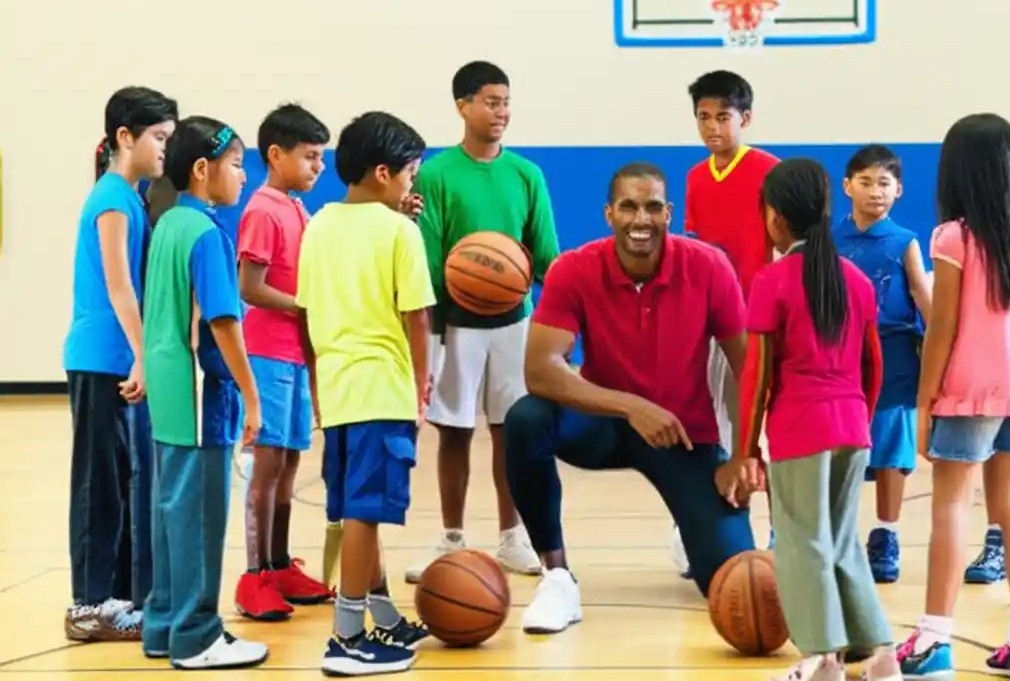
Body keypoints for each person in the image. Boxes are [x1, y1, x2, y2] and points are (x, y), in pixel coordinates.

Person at [502, 162, 756, 635]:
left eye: (653, 207)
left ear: (669, 213)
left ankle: (692, 521)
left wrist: (743, 454)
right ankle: (557, 575)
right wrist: (630, 405)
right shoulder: (574, 268)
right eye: (629, 207)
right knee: (526, 418)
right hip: (602, 427)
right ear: (608, 213)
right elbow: (539, 371)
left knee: (734, 581)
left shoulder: (707, 266)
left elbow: (747, 367)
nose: (641, 219)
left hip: (682, 435)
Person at [717, 158, 902, 681]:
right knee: (843, 541)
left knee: (802, 543)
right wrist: (859, 423)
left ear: (774, 218)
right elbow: (873, 366)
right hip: (852, 428)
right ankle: (882, 654)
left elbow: (756, 377)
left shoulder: (772, 281)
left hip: (801, 430)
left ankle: (822, 657)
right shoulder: (856, 280)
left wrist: (746, 449)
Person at [895, 113, 1010, 679]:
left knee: (951, 508)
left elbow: (942, 327)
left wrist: (924, 400)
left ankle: (933, 641)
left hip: (969, 391)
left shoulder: (953, 238)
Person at [407, 60, 558, 581]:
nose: (501, 112)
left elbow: (546, 257)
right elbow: (428, 256)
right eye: (491, 102)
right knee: (453, 431)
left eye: (506, 102)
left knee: (510, 431)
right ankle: (450, 536)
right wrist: (428, 319)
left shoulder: (526, 175)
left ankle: (512, 536)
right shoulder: (435, 174)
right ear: (462, 106)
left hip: (514, 322)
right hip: (457, 322)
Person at [297, 111, 433, 676]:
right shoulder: (402, 231)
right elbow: (417, 317)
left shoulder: (319, 225)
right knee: (365, 514)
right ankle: (347, 638)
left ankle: (382, 612)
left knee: (357, 513)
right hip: (382, 390)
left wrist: (318, 389)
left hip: (338, 390)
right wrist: (421, 389)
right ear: (383, 173)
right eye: (408, 176)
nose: (411, 187)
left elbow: (305, 319)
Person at [140, 116, 269, 669]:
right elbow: (223, 323)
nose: (244, 176)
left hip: (168, 396)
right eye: (238, 164)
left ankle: (164, 624)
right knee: (200, 517)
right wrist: (253, 395)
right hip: (200, 397)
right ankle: (196, 635)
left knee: (170, 512)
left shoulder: (167, 223)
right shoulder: (207, 234)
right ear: (202, 169)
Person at [64, 86, 177, 642]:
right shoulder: (111, 198)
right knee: (98, 484)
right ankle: (88, 604)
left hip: (118, 358)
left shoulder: (132, 195)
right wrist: (141, 354)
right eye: (158, 137)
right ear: (124, 138)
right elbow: (118, 285)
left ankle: (118, 599)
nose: (164, 149)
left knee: (122, 482)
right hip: (100, 357)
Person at [675, 69, 780, 576]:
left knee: (765, 426)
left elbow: (783, 248)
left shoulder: (768, 171)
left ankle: (782, 532)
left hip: (759, 318)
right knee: (709, 425)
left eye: (723, 116)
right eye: (703, 117)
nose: (712, 127)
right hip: (709, 319)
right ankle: (706, 531)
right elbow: (692, 249)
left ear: (746, 118)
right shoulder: (696, 177)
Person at [233, 103, 333, 621]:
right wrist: (302, 305)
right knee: (267, 467)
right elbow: (250, 287)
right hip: (267, 352)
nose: (319, 167)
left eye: (322, 157)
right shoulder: (263, 208)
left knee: (291, 463)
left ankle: (277, 564)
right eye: (310, 157)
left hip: (295, 354)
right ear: (276, 155)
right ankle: (253, 578)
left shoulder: (298, 209)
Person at [834, 144, 931, 584]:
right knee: (843, 447)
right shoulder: (829, 241)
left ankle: (886, 535)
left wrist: (938, 354)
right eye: (866, 181)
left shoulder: (905, 241)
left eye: (884, 183)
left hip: (893, 354)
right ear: (847, 186)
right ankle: (840, 536)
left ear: (899, 191)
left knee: (891, 447)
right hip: (841, 356)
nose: (875, 191)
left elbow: (925, 300)